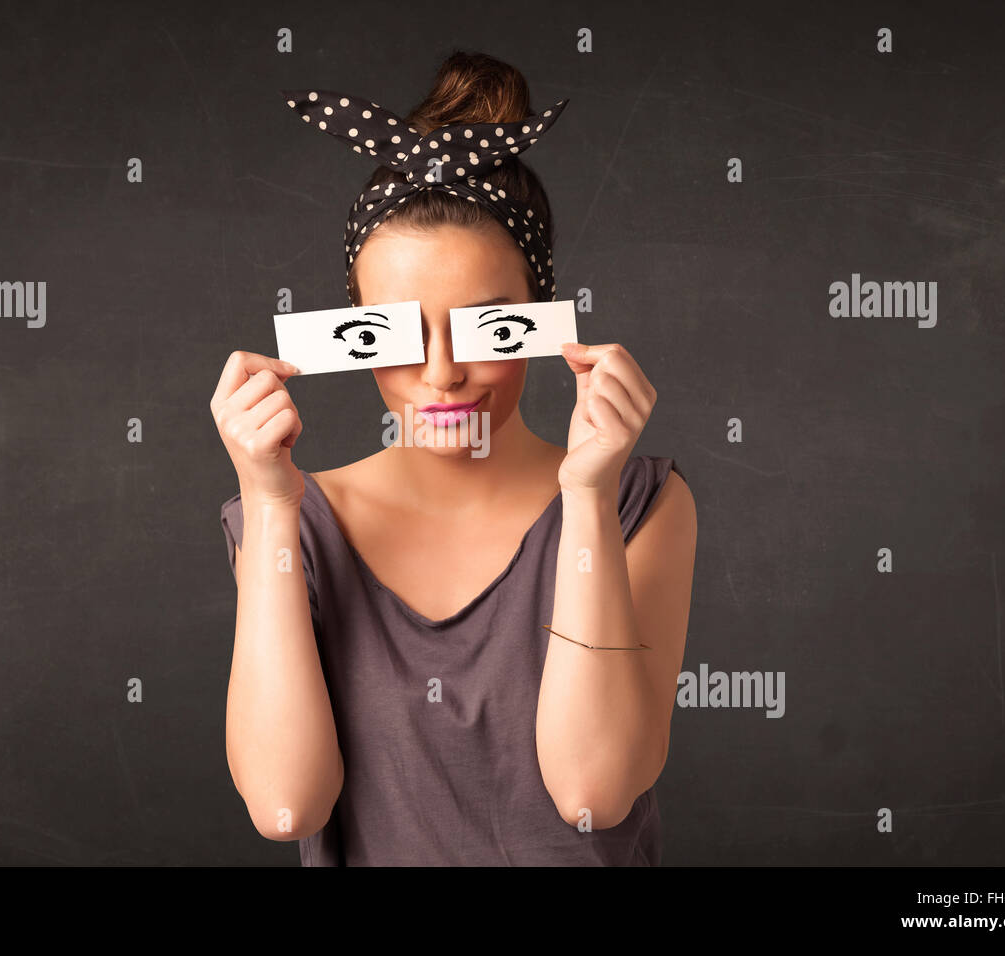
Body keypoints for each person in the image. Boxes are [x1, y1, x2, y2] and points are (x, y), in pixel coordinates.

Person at [212, 51, 696, 865]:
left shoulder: (640, 505)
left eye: (487, 327)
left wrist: (584, 495)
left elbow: (593, 792)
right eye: (396, 333)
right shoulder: (290, 521)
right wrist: (267, 507)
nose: (440, 375)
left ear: (539, 322)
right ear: (355, 333)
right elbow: (287, 803)